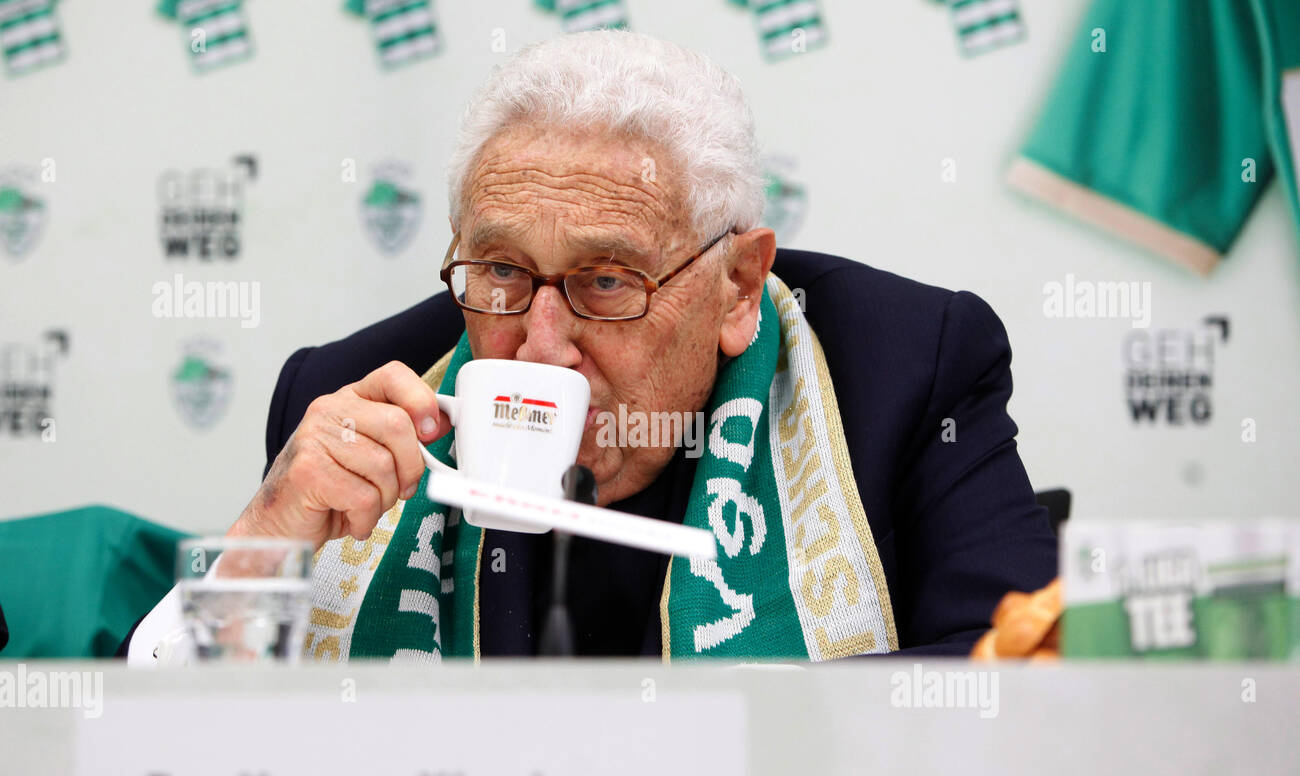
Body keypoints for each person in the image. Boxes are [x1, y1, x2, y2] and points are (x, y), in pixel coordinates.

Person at [123, 30, 1056, 664]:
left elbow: (1024, 688)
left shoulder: (902, 367)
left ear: (735, 287)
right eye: (499, 272)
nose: (540, 346)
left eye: (607, 281)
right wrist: (257, 549)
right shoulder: (344, 396)